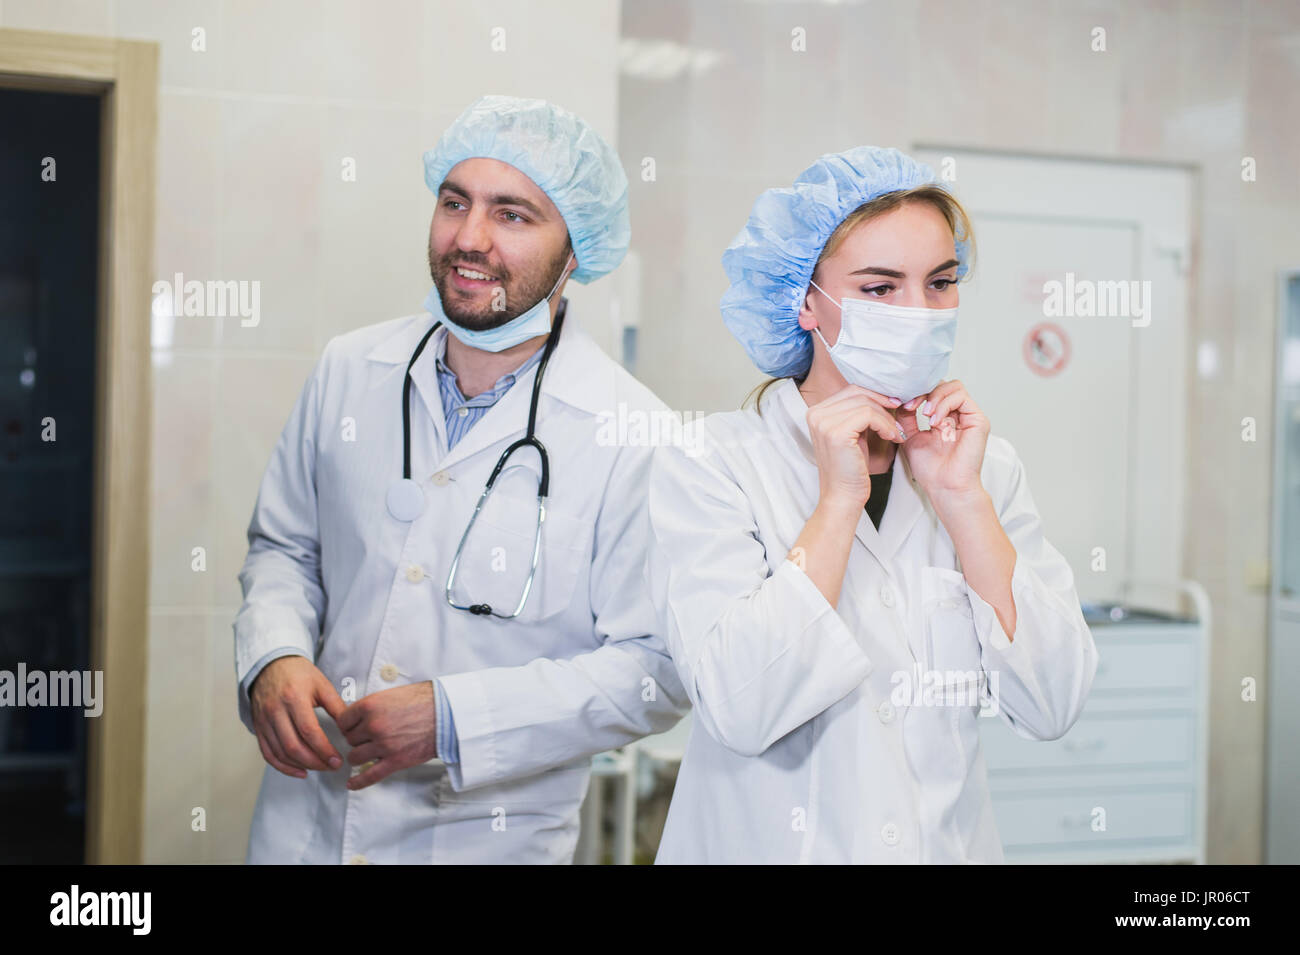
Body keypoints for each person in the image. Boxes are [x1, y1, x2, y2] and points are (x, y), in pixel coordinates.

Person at [233, 95, 688, 864]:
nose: (468, 239)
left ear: (576, 249)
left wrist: (453, 719)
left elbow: (656, 669)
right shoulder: (351, 368)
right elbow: (284, 546)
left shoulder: (637, 435)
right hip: (302, 828)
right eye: (454, 202)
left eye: (511, 214)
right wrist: (271, 656)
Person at [648, 145, 1099, 863]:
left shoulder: (984, 470)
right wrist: (837, 503)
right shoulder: (714, 461)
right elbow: (741, 705)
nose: (919, 313)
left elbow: (1053, 701)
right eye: (881, 288)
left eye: (941, 281)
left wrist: (962, 500)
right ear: (804, 300)